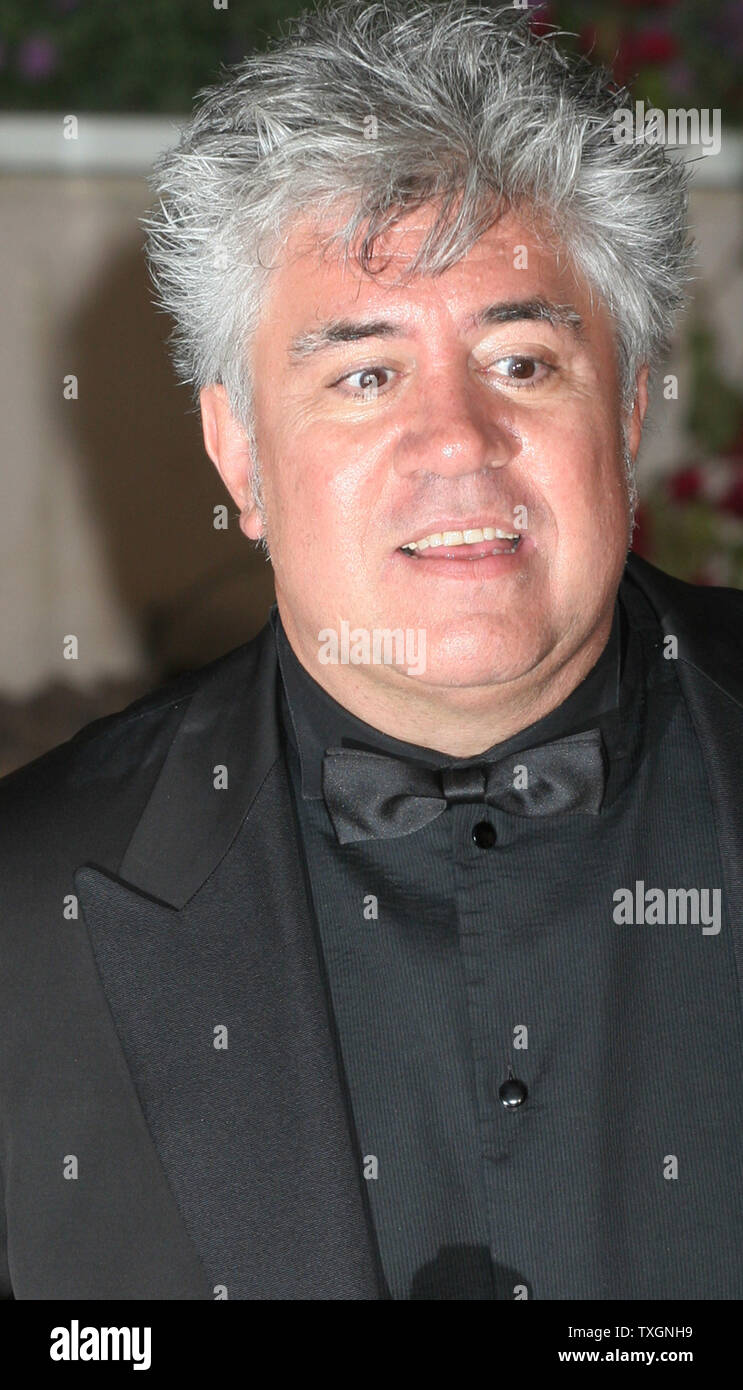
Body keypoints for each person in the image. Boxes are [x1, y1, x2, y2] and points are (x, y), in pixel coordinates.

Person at [1, 0, 742, 1301]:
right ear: (240, 450)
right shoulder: (23, 916)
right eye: (364, 375)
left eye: (521, 360)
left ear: (626, 410)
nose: (457, 442)